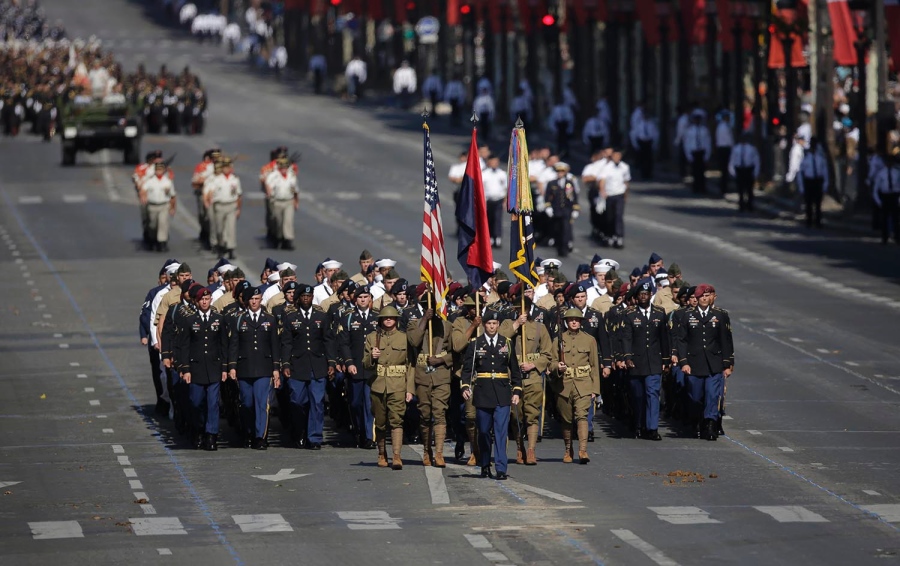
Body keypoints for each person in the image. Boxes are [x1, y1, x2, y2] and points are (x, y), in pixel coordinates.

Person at [460, 311, 523, 480]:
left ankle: (501, 468)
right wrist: (465, 386)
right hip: (483, 392)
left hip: (502, 392)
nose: (492, 326)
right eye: (489, 323)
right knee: (484, 432)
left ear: (498, 325)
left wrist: (517, 390)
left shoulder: (507, 343)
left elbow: (515, 371)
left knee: (501, 432)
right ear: (484, 325)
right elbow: (467, 370)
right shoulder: (475, 344)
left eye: (495, 323)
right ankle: (485, 464)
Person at [500, 284, 556, 465]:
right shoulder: (508, 325)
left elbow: (548, 353)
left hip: (532, 378)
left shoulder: (539, 328)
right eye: (518, 309)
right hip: (512, 379)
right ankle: (519, 447)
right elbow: (500, 340)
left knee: (532, 414)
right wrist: (517, 324)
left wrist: (534, 364)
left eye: (524, 309)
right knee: (516, 415)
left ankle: (531, 450)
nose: (521, 312)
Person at [280, 284, 336, 449]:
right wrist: (285, 364)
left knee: (317, 402)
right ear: (298, 298)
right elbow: (286, 343)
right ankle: (300, 431)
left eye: (309, 296)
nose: (306, 299)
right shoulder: (290, 317)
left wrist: (331, 362)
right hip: (297, 365)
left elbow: (328, 341)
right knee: (297, 401)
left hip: (318, 365)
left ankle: (315, 438)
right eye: (303, 296)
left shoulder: (321, 315)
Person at [676, 284, 733, 441]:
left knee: (712, 395)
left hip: (714, 363)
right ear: (696, 298)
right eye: (701, 296)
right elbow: (681, 341)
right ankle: (696, 423)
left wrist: (728, 364)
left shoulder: (719, 315)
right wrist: (684, 362)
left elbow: (726, 341)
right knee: (695, 397)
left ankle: (710, 425)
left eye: (707, 296)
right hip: (694, 363)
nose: (704, 299)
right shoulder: (687, 316)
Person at [175, 287, 227, 451]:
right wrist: (185, 368)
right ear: (197, 302)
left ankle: (211, 435)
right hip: (196, 368)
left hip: (213, 367)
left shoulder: (219, 319)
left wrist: (225, 368)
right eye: (202, 300)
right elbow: (184, 345)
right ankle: (198, 430)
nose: (205, 302)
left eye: (207, 299)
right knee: (196, 402)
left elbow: (223, 344)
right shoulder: (190, 319)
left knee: (213, 403)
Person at [228, 287, 279, 449]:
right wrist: (232, 366)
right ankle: (249, 432)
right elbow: (234, 345)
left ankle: (260, 437)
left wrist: (276, 368)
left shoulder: (269, 319)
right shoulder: (239, 319)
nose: (254, 301)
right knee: (247, 403)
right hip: (245, 367)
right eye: (252, 299)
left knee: (261, 403)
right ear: (247, 301)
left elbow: (274, 346)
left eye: (257, 298)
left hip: (264, 367)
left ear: (261, 299)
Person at [363, 306, 415, 470]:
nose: (388, 320)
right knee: (379, 422)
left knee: (397, 420)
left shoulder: (404, 338)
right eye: (385, 318)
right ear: (380, 320)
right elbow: (365, 363)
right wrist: (372, 357)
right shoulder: (372, 338)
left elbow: (410, 365)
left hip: (398, 384)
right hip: (378, 384)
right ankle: (381, 453)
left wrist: (410, 389)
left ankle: (397, 456)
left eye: (391, 318)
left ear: (396, 320)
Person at [407, 295, 454, 467]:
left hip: (441, 375)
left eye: (433, 307)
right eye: (427, 307)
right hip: (423, 376)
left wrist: (442, 360)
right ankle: (427, 450)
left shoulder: (447, 326)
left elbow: (456, 352)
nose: (431, 310)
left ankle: (439, 453)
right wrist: (424, 320)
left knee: (440, 412)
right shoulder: (414, 324)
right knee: (425, 415)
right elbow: (414, 341)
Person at [622, 279, 670, 440]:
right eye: (640, 294)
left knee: (653, 393)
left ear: (650, 295)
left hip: (654, 362)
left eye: (646, 293)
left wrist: (666, 360)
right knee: (638, 396)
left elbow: (664, 338)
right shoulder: (630, 314)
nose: (643, 296)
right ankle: (638, 425)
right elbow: (627, 338)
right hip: (637, 362)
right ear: (636, 297)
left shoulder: (659, 312)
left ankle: (652, 428)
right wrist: (627, 357)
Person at [553, 308, 600, 464]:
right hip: (564, 385)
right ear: (566, 322)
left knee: (582, 415)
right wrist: (556, 367)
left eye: (577, 319)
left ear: (581, 322)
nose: (574, 322)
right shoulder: (557, 340)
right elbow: (551, 361)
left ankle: (583, 450)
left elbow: (594, 366)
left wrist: (595, 389)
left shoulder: (589, 340)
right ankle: (568, 449)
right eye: (571, 319)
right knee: (566, 419)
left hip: (583, 384)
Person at [338, 285, 380, 449]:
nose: (363, 300)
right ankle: (359, 431)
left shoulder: (377, 317)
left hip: (371, 368)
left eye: (366, 297)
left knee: (370, 403)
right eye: (360, 297)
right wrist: (348, 362)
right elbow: (343, 342)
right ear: (356, 299)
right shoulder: (348, 317)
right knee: (355, 403)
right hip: (355, 367)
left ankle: (369, 437)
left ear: (370, 298)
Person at [204, 156, 242, 259]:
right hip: (219, 206)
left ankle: (231, 249)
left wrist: (238, 208)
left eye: (228, 167)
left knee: (231, 228)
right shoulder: (216, 179)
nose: (226, 169)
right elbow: (210, 192)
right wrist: (208, 200)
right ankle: (220, 246)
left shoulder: (235, 180)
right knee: (219, 229)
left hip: (231, 205)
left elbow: (238, 195)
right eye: (224, 167)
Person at [140, 161, 177, 252]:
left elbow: (172, 196)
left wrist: (172, 207)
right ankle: (152, 239)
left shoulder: (167, 181)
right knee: (152, 225)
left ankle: (162, 243)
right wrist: (143, 196)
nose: (159, 171)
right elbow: (143, 190)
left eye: (160, 169)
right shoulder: (150, 181)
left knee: (163, 223)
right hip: (152, 206)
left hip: (163, 205)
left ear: (164, 170)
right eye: (157, 169)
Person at [544, 162, 579, 257]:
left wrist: (575, 209)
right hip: (556, 210)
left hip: (566, 210)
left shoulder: (569, 184)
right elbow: (547, 197)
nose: (560, 173)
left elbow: (573, 197)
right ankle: (558, 246)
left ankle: (565, 248)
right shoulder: (552, 183)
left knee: (566, 229)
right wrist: (548, 208)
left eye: (562, 171)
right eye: (558, 171)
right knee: (557, 230)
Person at [264, 157, 299, 250]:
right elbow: (268, 186)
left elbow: (295, 190)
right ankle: (278, 238)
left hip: (288, 201)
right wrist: (270, 194)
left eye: (285, 167)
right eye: (282, 167)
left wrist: (296, 201)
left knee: (288, 221)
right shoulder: (273, 175)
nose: (284, 169)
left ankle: (288, 240)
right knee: (278, 222)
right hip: (277, 201)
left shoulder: (292, 176)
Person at [599, 150, 630, 249]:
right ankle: (610, 235)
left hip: (619, 194)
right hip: (610, 194)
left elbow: (626, 181)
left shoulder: (625, 167)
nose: (617, 157)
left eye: (619, 155)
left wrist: (625, 194)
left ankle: (619, 237)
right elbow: (602, 181)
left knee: (618, 216)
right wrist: (602, 191)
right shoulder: (607, 168)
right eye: (615, 155)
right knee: (610, 217)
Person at [796, 136, 829, 228]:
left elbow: (825, 172)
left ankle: (818, 221)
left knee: (818, 204)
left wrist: (825, 185)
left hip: (818, 181)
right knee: (808, 203)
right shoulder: (806, 157)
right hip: (809, 181)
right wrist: (801, 186)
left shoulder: (820, 158)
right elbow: (801, 172)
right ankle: (809, 221)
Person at [872, 147, 900, 244]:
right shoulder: (881, 173)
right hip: (885, 196)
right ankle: (885, 237)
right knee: (884, 218)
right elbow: (876, 188)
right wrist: (878, 200)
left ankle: (897, 236)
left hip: (894, 195)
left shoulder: (897, 173)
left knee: (895, 218)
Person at [728, 133, 761, 212]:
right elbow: (732, 160)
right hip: (739, 169)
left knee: (749, 189)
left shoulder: (752, 149)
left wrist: (756, 172)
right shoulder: (736, 148)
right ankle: (741, 205)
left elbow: (756, 161)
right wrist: (732, 171)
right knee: (740, 189)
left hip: (748, 169)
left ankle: (750, 205)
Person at [481, 154, 508, 248]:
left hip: (498, 200)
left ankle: (498, 238)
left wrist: (505, 201)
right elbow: (481, 189)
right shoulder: (484, 174)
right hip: (487, 200)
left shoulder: (502, 173)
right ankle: (490, 237)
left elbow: (506, 188)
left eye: (496, 162)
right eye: (493, 161)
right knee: (489, 219)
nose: (495, 163)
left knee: (498, 219)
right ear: (489, 162)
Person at [683, 110, 712, 194]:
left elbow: (707, 143)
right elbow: (687, 144)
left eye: (698, 119)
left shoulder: (704, 130)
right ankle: (695, 188)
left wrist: (707, 155)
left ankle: (702, 187)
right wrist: (688, 155)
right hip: (694, 152)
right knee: (695, 171)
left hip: (702, 152)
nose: (697, 121)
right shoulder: (690, 130)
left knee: (702, 171)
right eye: (696, 119)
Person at [630, 111, 659, 180]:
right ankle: (643, 173)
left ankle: (649, 173)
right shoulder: (639, 124)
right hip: (641, 142)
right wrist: (635, 144)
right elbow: (634, 134)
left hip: (649, 142)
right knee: (642, 158)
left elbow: (655, 134)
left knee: (649, 159)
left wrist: (655, 143)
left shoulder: (651, 124)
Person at [714, 110, 735, 194]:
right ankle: (723, 187)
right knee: (725, 169)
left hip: (721, 148)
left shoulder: (720, 126)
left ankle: (723, 187)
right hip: (725, 149)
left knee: (723, 169)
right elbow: (729, 139)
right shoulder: (725, 127)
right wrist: (733, 147)